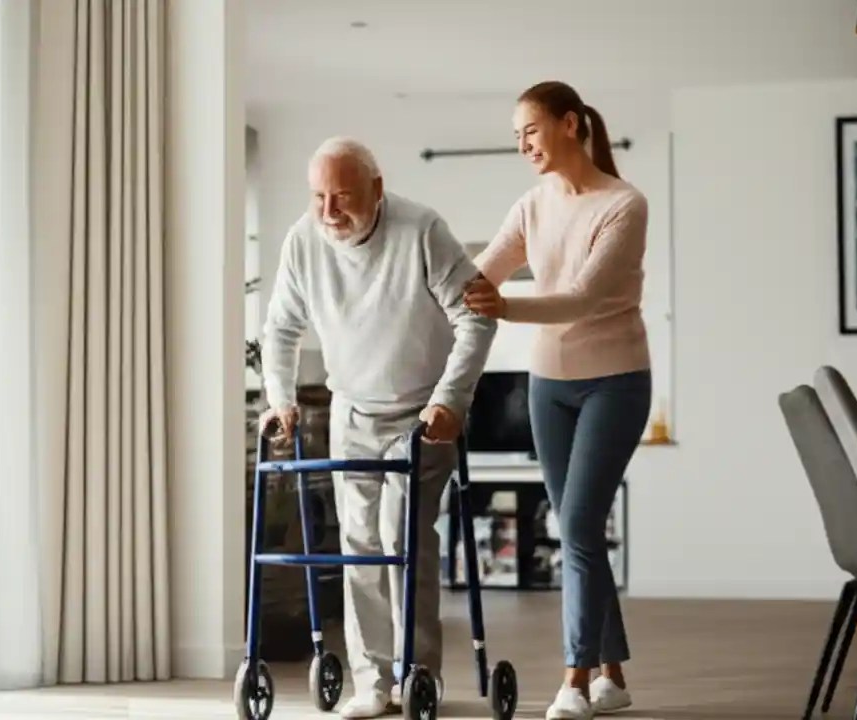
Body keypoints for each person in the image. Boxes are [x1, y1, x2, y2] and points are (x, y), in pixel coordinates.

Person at [261, 137, 496, 718]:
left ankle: (418, 673)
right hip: (353, 411)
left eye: (342, 196)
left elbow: (476, 315)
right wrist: (281, 399)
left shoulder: (421, 230)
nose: (328, 212)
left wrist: (450, 400)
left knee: (402, 535)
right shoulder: (303, 240)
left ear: (377, 189)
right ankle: (373, 682)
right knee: (359, 543)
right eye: (318, 196)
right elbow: (282, 329)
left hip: (422, 414)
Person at [463, 80, 652, 720]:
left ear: (571, 125)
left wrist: (504, 306)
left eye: (531, 131)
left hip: (615, 381)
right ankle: (614, 676)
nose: (523, 146)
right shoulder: (531, 204)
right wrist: (440, 286)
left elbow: (583, 298)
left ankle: (575, 679)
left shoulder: (623, 205)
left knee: (573, 526)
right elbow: (483, 270)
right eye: (516, 135)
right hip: (547, 384)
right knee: (582, 530)